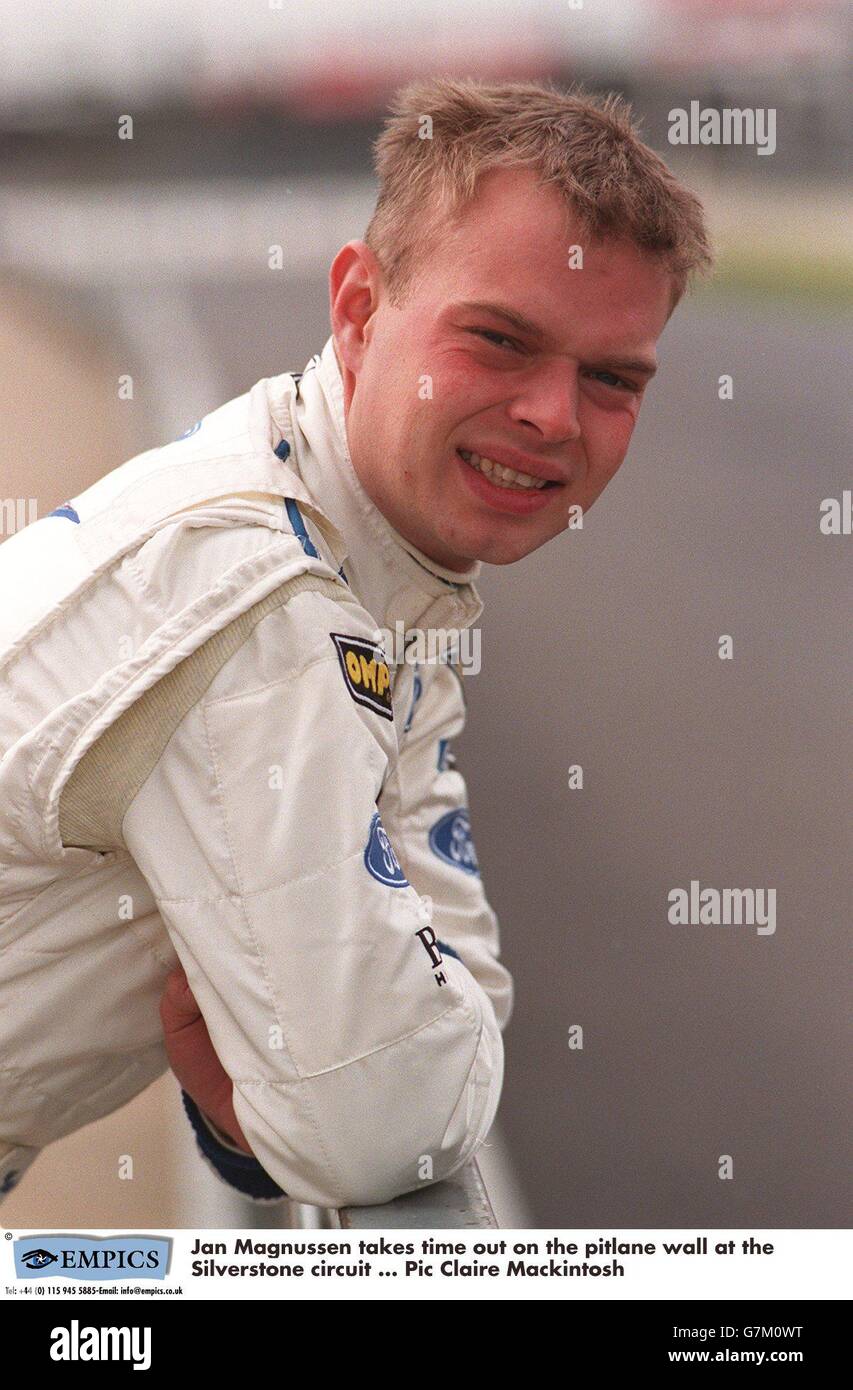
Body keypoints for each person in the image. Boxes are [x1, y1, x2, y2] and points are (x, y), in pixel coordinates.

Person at [0, 77, 711, 1210]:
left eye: (611, 378)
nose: (552, 416)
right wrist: (341, 1081)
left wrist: (372, 1059)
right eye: (499, 339)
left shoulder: (362, 559)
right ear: (359, 307)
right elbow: (380, 1119)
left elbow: (445, 996)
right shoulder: (264, 595)